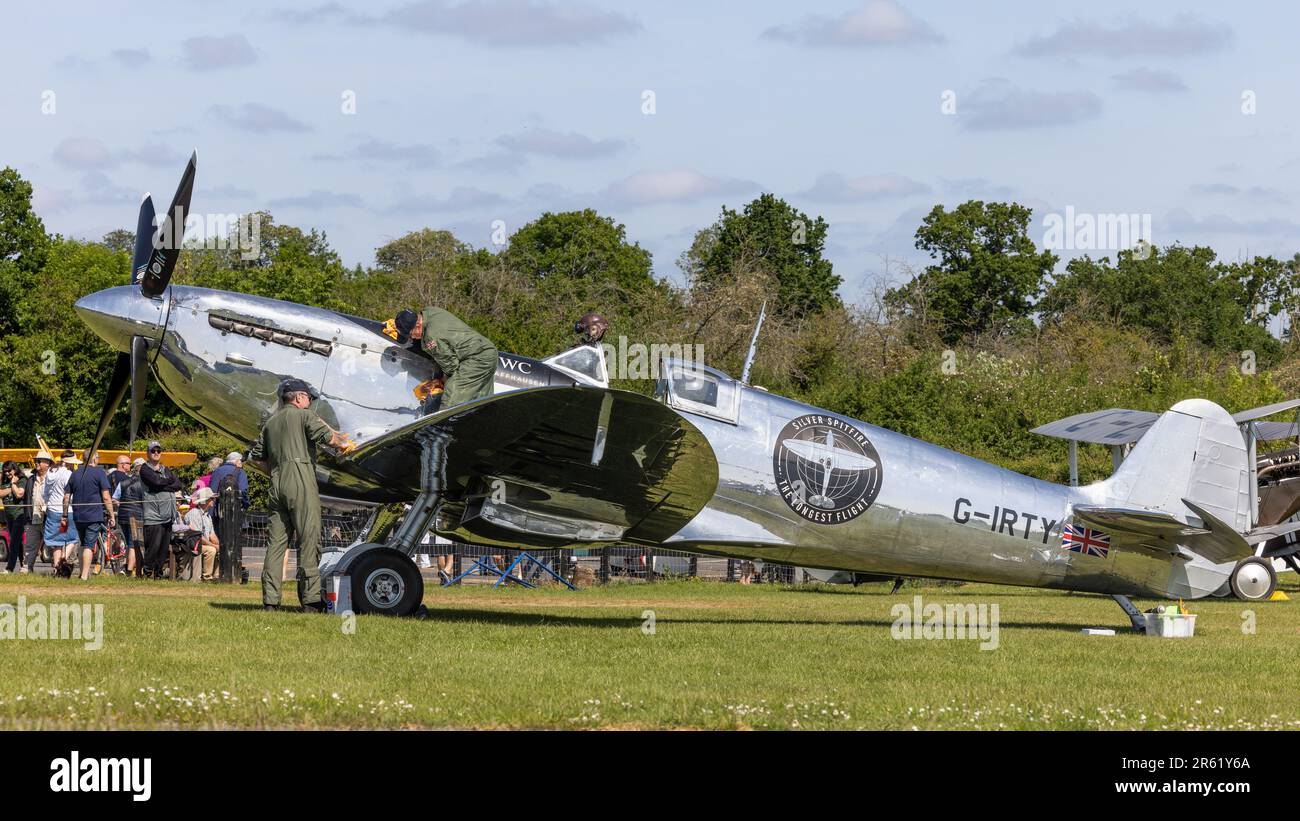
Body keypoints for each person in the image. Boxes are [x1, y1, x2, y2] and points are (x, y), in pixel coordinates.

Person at [248, 378, 354, 612]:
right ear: (298, 398)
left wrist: (277, 472)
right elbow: (331, 440)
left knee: (276, 544)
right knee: (309, 540)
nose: (310, 402)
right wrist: (347, 443)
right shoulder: (305, 416)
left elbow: (255, 458)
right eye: (308, 398)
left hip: (276, 483)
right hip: (301, 479)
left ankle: (271, 602)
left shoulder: (270, 423)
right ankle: (311, 600)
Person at [392, 307, 497, 408]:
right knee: (480, 401)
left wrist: (438, 382)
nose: (412, 338)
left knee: (451, 395)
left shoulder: (431, 338)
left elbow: (452, 368)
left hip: (477, 359)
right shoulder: (430, 311)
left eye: (410, 335)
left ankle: (442, 426)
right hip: (487, 351)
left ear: (418, 324)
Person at [63, 451, 114, 581]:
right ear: (94, 459)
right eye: (98, 458)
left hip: (78, 515)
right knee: (89, 545)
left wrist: (64, 515)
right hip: (94, 515)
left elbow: (66, 497)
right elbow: (106, 496)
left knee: (82, 543)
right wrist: (112, 514)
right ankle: (85, 575)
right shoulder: (99, 473)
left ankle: (82, 572)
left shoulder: (74, 474)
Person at [139, 441, 182, 578]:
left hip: (168, 516)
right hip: (153, 516)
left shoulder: (165, 469)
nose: (156, 453)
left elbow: (178, 484)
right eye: (153, 451)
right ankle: (147, 573)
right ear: (148, 453)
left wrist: (163, 485)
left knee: (163, 549)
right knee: (153, 547)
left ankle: (158, 574)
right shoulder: (145, 469)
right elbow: (155, 482)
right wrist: (166, 482)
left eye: (158, 450)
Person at [44, 451, 80, 572]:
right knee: (73, 538)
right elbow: (70, 494)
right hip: (67, 510)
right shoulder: (69, 474)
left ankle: (56, 566)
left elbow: (46, 492)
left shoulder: (50, 472)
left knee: (56, 540)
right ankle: (63, 559)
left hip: (53, 509)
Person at [19, 451, 53, 573]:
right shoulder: (31, 479)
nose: (36, 463)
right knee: (29, 546)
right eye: (36, 460)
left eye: (39, 461)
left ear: (47, 463)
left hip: (49, 517)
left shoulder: (53, 477)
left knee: (53, 546)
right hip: (32, 517)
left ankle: (57, 570)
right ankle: (26, 569)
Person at [112, 457, 147, 575]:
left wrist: (122, 505)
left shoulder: (123, 482)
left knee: (128, 544)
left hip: (122, 516)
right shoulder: (145, 484)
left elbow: (114, 499)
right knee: (134, 545)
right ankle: (129, 570)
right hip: (137, 516)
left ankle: (126, 566)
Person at [185, 487, 220, 582]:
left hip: (201, 543)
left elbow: (211, 534)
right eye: (211, 498)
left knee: (219, 549)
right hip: (193, 544)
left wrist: (220, 545)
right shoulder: (194, 514)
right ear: (205, 501)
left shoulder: (207, 515)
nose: (214, 500)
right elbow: (197, 536)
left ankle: (216, 576)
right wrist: (213, 545)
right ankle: (207, 577)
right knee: (211, 550)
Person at [0, 462, 27, 573]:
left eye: (9, 470)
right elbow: (0, 493)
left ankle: (9, 568)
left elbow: (19, 494)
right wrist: (11, 486)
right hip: (9, 516)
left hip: (19, 515)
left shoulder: (22, 479)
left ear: (14, 469)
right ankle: (24, 566)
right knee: (18, 541)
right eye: (5, 471)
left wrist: (13, 484)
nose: (7, 473)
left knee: (14, 541)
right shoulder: (5, 479)